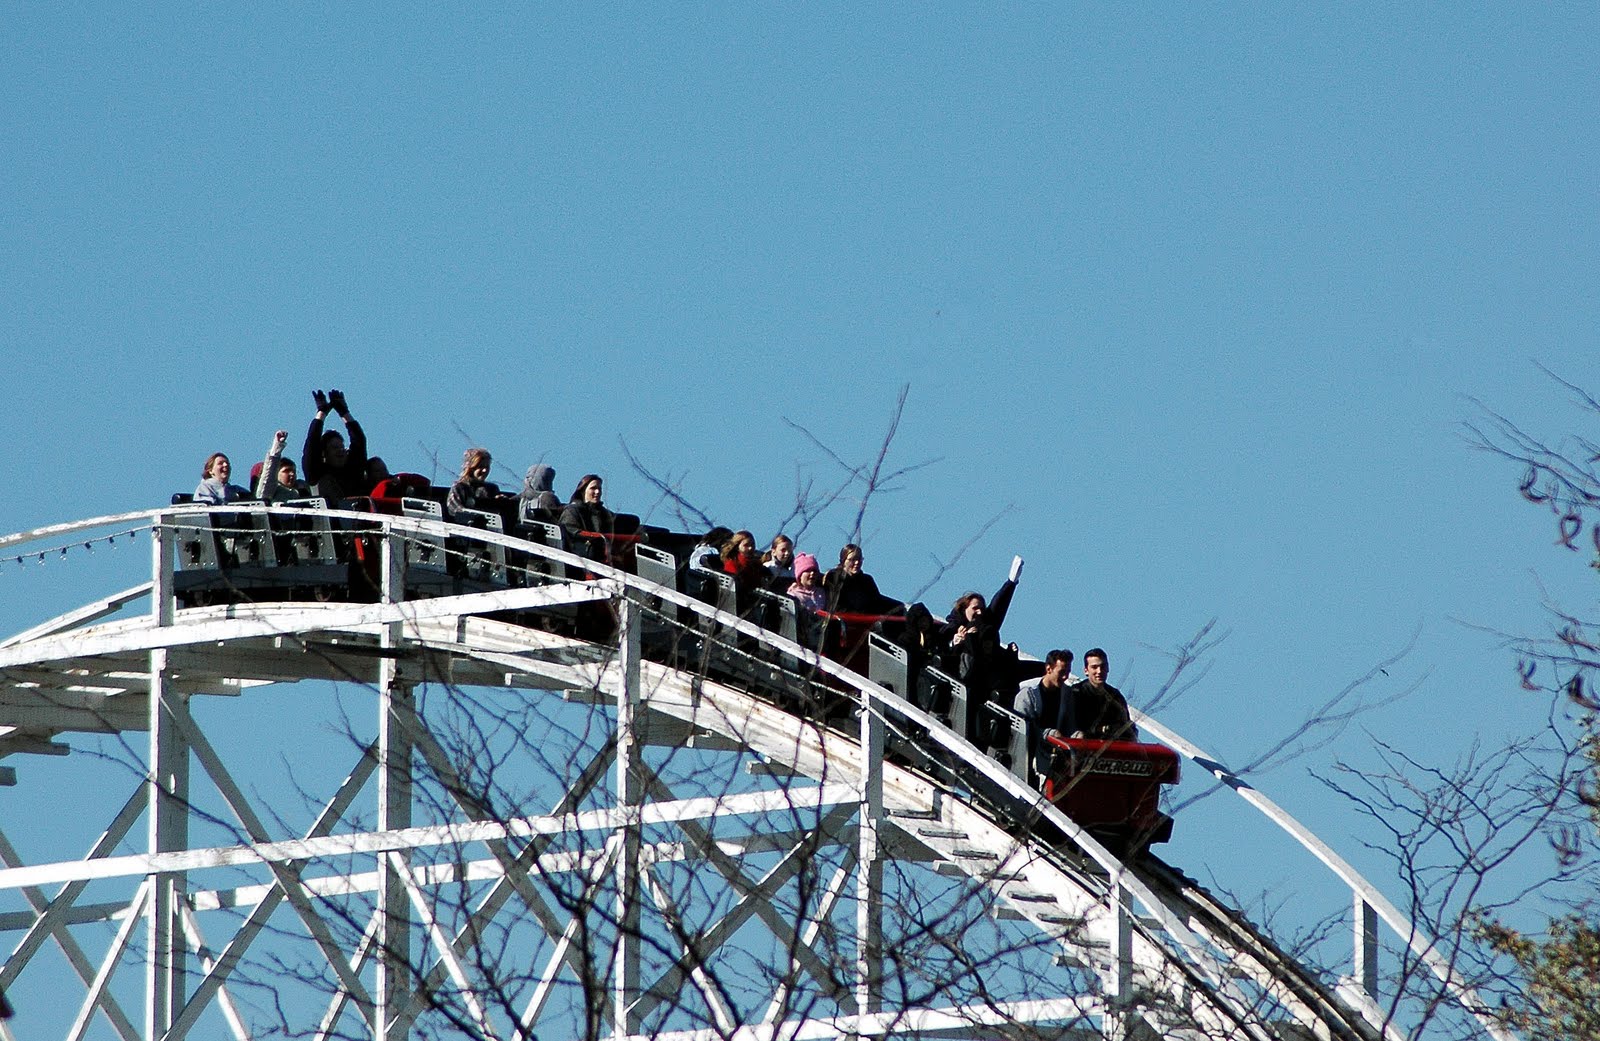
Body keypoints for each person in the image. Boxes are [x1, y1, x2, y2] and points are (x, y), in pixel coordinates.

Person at [1013, 650, 1079, 783]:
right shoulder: (1027, 694)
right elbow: (1024, 732)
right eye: (1061, 672)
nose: (1065, 677)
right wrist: (1048, 734)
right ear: (1049, 669)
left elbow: (1070, 724)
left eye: (1067, 672)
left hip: (1056, 759)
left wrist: (1076, 735)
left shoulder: (1067, 694)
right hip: (1028, 760)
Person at [300, 389, 370, 503]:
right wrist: (321, 413)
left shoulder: (353, 470)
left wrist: (344, 413)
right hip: (329, 518)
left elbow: (359, 441)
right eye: (334, 448)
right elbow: (311, 445)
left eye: (342, 447)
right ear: (324, 453)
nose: (340, 451)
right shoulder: (316, 473)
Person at [1067, 648, 1136, 742]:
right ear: (1086, 671)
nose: (1099, 671)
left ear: (1108, 668)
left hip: (1111, 751)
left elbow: (1126, 728)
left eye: (1102, 666)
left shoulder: (1115, 697)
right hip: (1081, 749)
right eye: (1094, 667)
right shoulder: (1075, 694)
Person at [823, 544, 894, 614]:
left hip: (868, 621)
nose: (857, 563)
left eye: (859, 559)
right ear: (843, 561)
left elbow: (878, 602)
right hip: (842, 621)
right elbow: (834, 605)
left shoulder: (867, 580)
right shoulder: (834, 578)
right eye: (852, 560)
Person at [560, 474, 616, 562]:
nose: (597, 492)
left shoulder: (605, 514)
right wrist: (595, 537)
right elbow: (570, 532)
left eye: (599, 489)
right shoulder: (572, 511)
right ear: (583, 491)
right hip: (579, 555)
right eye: (593, 488)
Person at [446, 448, 512, 520]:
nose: (484, 470)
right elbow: (455, 510)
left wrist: (501, 502)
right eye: (480, 467)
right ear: (470, 468)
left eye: (487, 467)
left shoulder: (491, 489)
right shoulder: (460, 487)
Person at [256, 431, 311, 503]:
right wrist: (276, 449)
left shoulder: (303, 490)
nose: (292, 474)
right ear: (276, 474)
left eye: (294, 472)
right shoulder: (269, 491)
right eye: (286, 471)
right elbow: (268, 477)